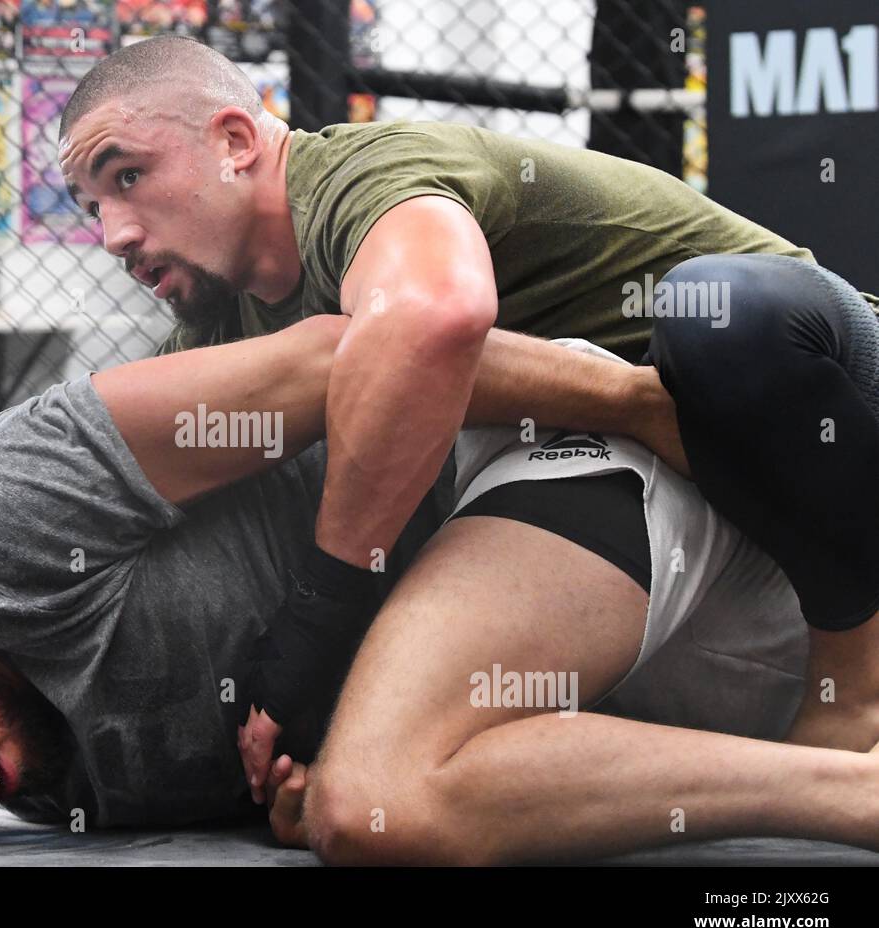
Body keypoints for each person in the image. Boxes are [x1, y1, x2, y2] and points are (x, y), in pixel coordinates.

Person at [0, 317, 878, 861]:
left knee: (378, 800)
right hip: (613, 643)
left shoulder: (6, 523)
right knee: (358, 799)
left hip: (556, 477)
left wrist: (640, 405)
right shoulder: (29, 783)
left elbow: (350, 357)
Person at [53, 35, 879, 794]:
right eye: (92, 208)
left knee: (717, 313)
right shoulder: (218, 324)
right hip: (705, 520)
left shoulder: (357, 179)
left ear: (236, 142)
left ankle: (859, 686)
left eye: (127, 176)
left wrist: (318, 624)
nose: (115, 234)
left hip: (831, 389)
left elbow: (436, 315)